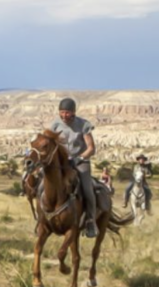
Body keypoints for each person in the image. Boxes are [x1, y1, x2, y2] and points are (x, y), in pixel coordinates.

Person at [49, 98, 98, 238]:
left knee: (87, 189)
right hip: (61, 163)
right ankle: (43, 216)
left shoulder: (83, 125)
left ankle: (90, 221)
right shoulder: (55, 125)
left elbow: (91, 148)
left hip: (80, 162)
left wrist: (80, 158)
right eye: (62, 112)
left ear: (74, 112)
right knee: (42, 181)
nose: (64, 115)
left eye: (67, 113)